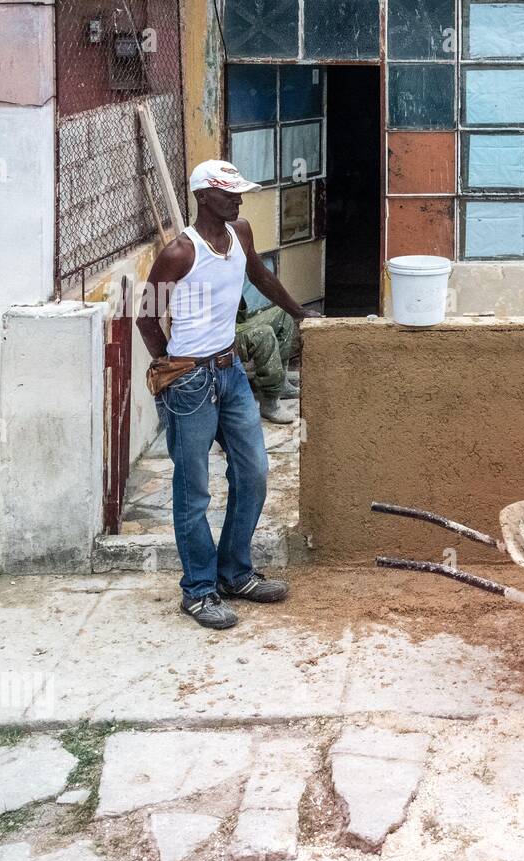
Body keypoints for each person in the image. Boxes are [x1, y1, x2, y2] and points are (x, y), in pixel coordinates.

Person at [136, 160, 318, 629]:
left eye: (238, 193)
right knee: (193, 490)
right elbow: (146, 316)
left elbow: (259, 276)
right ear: (202, 197)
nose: (237, 199)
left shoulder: (240, 232)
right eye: (228, 193)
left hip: (231, 372)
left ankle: (235, 573)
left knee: (254, 472)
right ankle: (198, 590)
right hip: (191, 382)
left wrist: (301, 314)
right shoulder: (180, 252)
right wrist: (169, 366)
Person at [235, 295, 300, 424]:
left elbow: (240, 315)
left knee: (283, 313)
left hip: (234, 323)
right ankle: (270, 401)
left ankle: (281, 384)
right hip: (217, 336)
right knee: (263, 334)